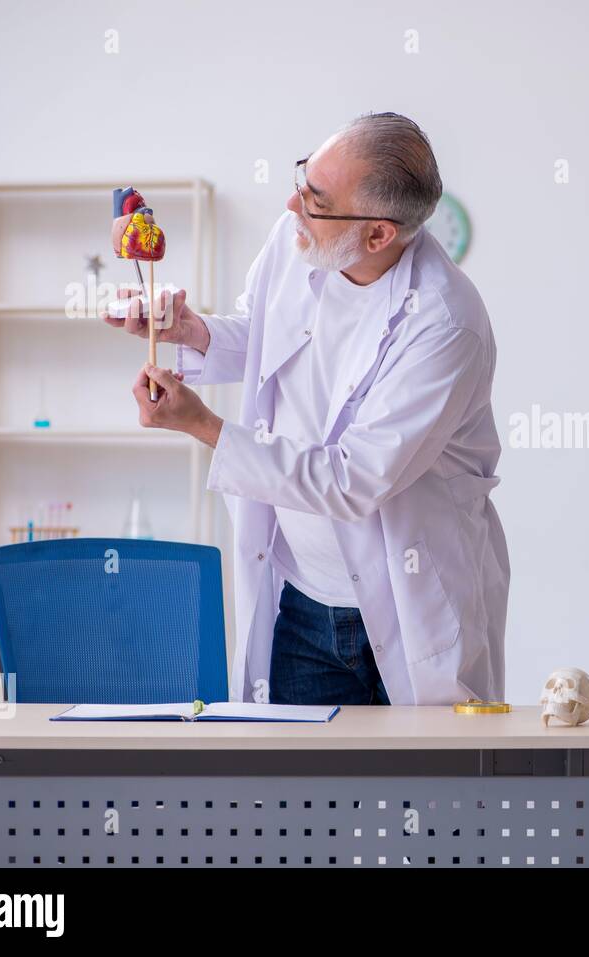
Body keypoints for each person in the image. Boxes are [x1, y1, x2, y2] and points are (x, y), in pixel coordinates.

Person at [102, 112, 509, 707]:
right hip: (299, 600)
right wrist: (188, 331)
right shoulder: (299, 240)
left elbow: (351, 479)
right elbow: (262, 335)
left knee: (419, 791)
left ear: (378, 235)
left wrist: (202, 425)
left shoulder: (445, 325)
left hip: (406, 607)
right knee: (300, 795)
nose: (292, 204)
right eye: (302, 179)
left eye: (315, 199)